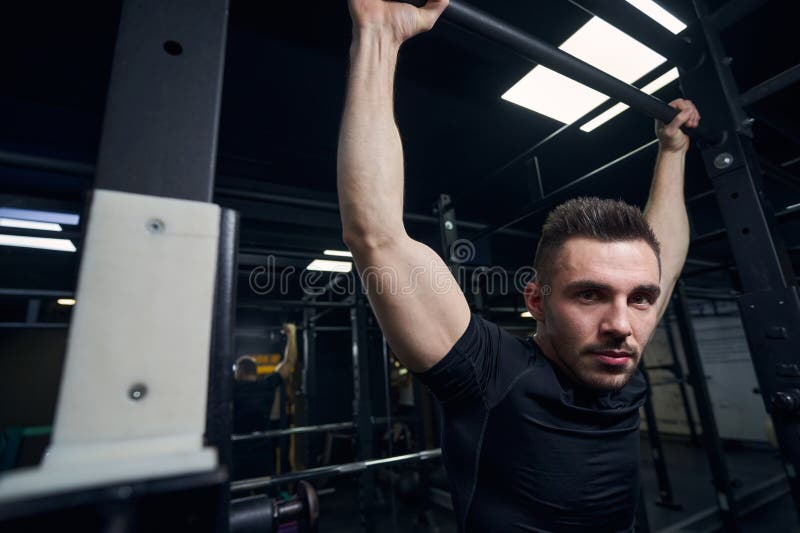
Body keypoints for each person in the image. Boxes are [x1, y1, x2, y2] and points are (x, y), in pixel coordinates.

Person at [337, 1, 700, 531]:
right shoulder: (490, 372)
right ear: (536, 300)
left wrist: (672, 152)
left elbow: (661, 257)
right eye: (588, 295)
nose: (622, 324)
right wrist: (379, 38)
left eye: (639, 298)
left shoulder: (617, 348)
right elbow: (376, 235)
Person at [231, 323, 297, 479]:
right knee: (265, 494)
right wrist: (292, 334)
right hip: (263, 451)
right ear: (255, 370)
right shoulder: (265, 386)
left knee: (239, 496)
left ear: (240, 371)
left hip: (237, 453)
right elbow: (289, 363)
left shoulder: (232, 386)